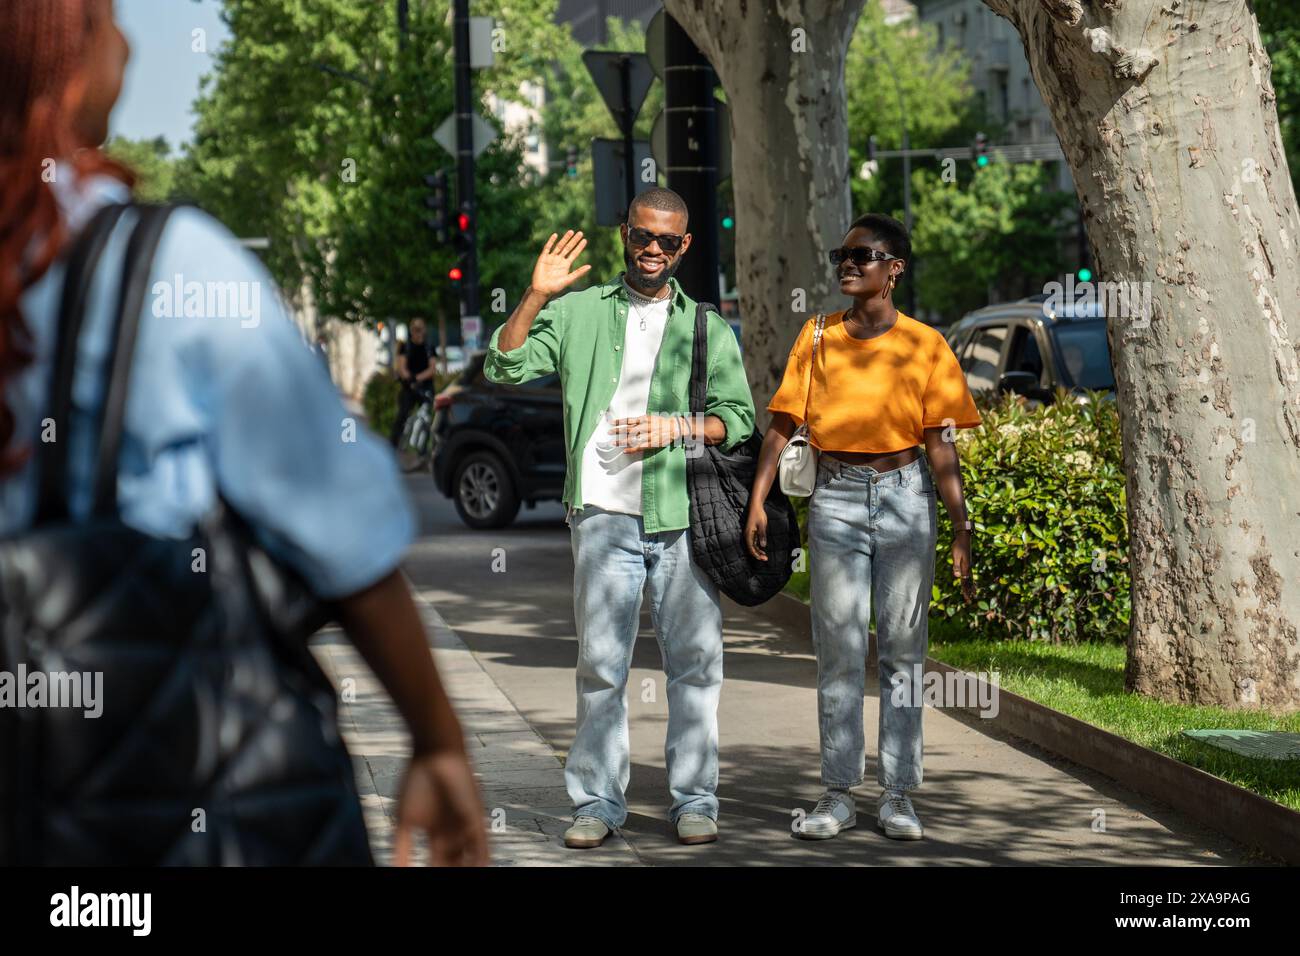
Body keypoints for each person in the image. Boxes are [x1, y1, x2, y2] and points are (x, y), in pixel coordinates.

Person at [0, 0, 486, 866]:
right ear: (59, 53)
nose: (129, 41)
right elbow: (345, 536)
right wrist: (438, 740)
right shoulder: (159, 264)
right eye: (108, 19)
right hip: (165, 787)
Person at [485, 188, 755, 848]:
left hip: (682, 517)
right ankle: (598, 803)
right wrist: (535, 296)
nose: (654, 250)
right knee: (602, 667)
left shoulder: (707, 327)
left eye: (669, 241)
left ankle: (695, 798)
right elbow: (506, 362)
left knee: (694, 666)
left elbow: (739, 420)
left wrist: (675, 426)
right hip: (604, 515)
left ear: (685, 246)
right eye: (643, 236)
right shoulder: (578, 312)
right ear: (624, 235)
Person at [745, 213, 980, 842]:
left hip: (907, 499)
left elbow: (941, 444)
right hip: (835, 500)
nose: (848, 264)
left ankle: (898, 795)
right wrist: (758, 502)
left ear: (894, 269)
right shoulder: (817, 336)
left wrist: (960, 525)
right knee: (841, 650)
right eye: (841, 256)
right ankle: (838, 792)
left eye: (863, 255)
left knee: (904, 652)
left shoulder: (927, 345)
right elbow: (780, 424)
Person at [390, 318, 436, 446]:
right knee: (402, 416)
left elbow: (432, 369)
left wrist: (417, 378)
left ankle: (424, 448)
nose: (418, 332)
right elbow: (401, 367)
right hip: (408, 388)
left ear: (424, 330)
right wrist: (410, 379)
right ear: (411, 330)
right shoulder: (405, 346)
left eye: (420, 329)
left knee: (428, 418)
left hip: (425, 387)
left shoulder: (429, 347)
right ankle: (393, 446)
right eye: (415, 329)